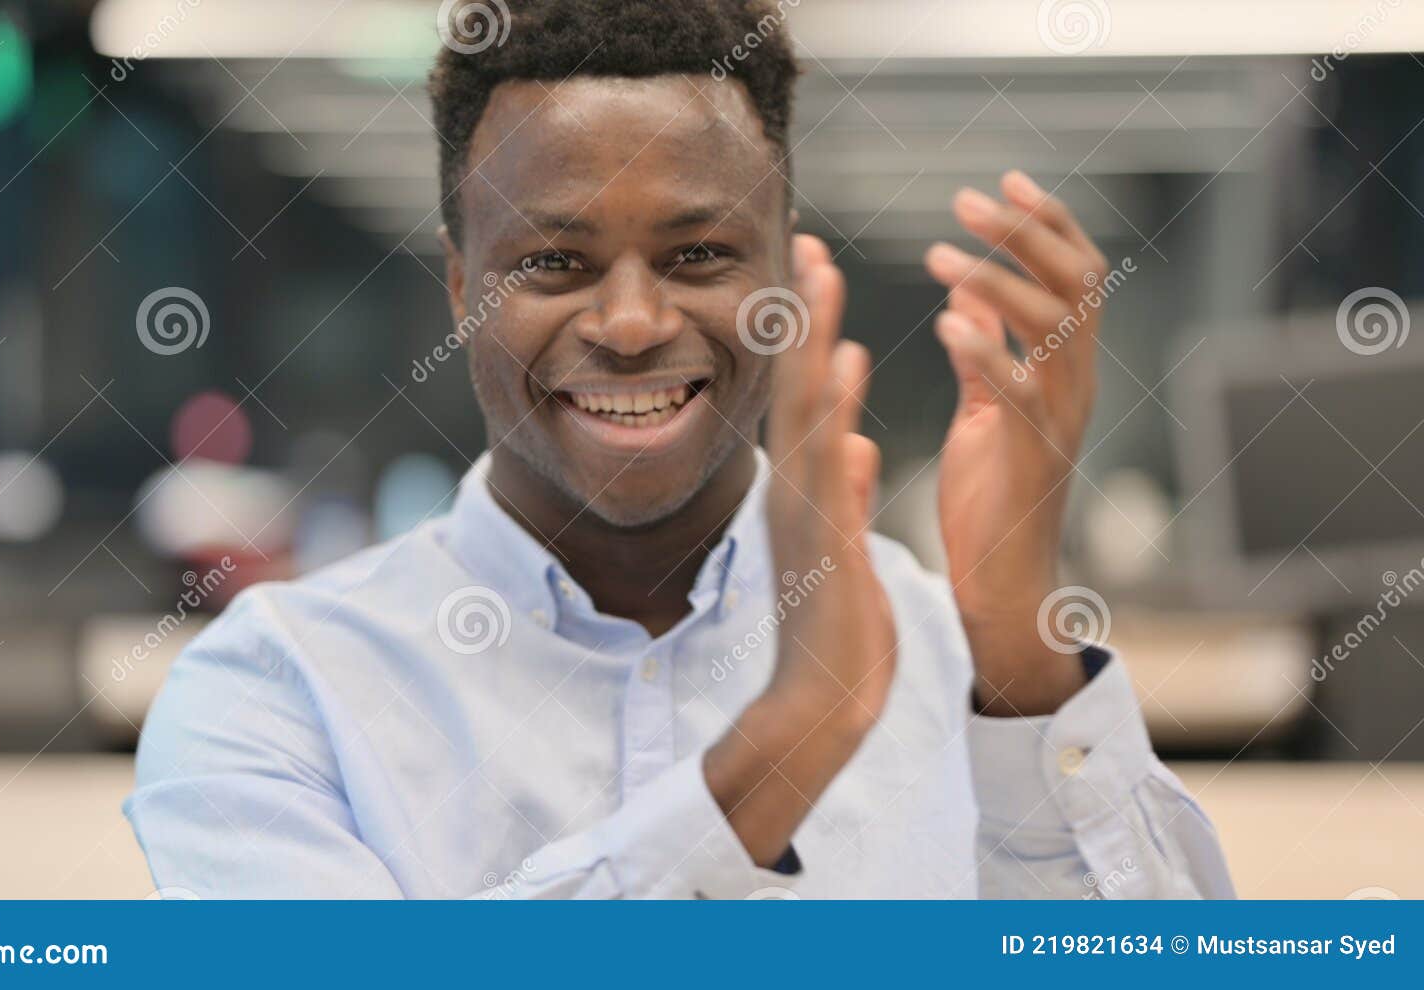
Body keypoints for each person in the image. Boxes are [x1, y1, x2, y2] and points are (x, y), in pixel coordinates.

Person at [125, 0, 1233, 899]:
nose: (631, 322)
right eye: (552, 263)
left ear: (787, 285)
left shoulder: (962, 664)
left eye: (698, 253)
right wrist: (784, 741)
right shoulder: (275, 689)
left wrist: (1016, 659)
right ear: (464, 290)